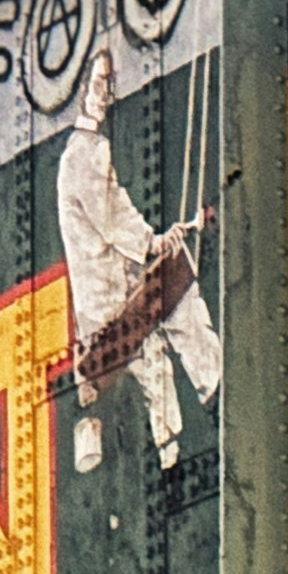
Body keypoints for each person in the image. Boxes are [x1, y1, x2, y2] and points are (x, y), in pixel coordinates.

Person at [55, 45, 221, 472]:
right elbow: (113, 217)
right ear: (81, 94)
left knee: (161, 340)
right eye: (96, 84)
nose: (104, 93)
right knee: (175, 308)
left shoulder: (91, 151)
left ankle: (179, 440)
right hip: (107, 308)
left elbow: (116, 212)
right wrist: (153, 244)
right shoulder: (83, 155)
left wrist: (154, 243)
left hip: (112, 295)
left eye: (108, 85)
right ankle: (211, 394)